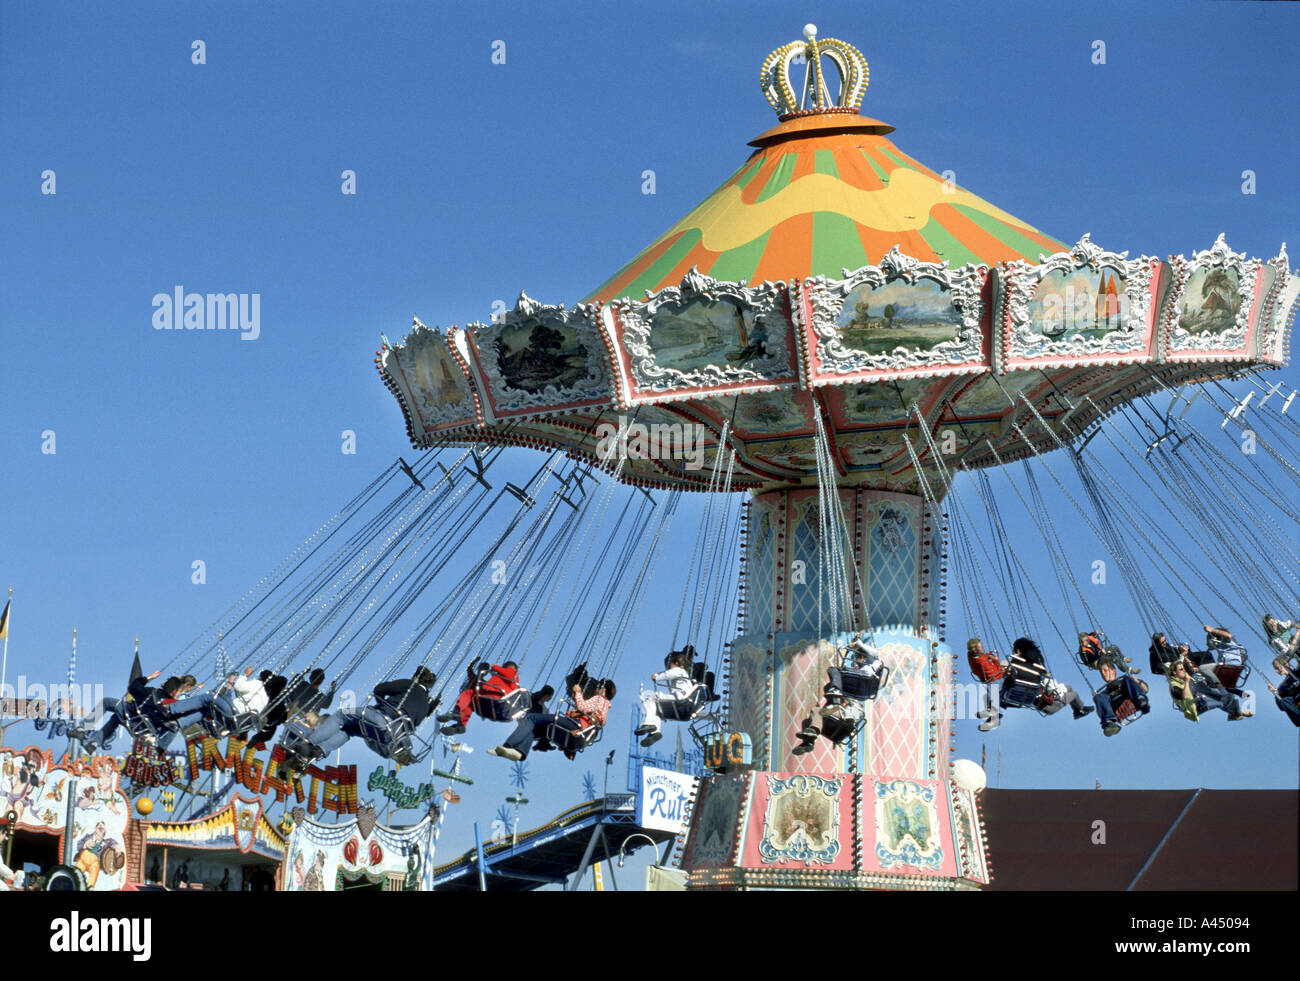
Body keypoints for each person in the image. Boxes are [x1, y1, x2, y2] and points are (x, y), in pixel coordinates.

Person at [306, 667, 438, 762]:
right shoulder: (425, 706)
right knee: (350, 731)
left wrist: (381, 704)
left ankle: (309, 742)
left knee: (341, 715)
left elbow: (379, 689)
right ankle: (321, 749)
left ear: (415, 677)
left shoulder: (409, 685)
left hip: (382, 718)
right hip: (390, 736)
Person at [490, 674, 613, 762]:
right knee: (536, 728)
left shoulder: (599, 700)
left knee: (532, 718)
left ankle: (508, 745)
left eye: (598, 686)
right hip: (581, 737)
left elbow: (582, 706)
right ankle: (519, 752)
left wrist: (578, 692)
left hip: (575, 727)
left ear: (603, 689)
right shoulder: (605, 707)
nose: (596, 689)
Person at [436, 660, 523, 735]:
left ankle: (457, 712)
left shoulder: (513, 675)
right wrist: (473, 666)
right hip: (493, 703)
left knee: (468, 693)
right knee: (471, 700)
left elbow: (508, 673)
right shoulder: (501, 682)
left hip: (498, 699)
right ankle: (461, 725)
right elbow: (473, 677)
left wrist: (495, 666)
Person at [635, 652, 701, 748]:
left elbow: (667, 675)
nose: (669, 666)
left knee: (649, 699)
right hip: (684, 701)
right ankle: (655, 732)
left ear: (676, 663)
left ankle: (647, 723)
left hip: (679, 697)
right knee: (657, 710)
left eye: (670, 664)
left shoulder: (678, 670)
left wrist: (656, 677)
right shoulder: (686, 676)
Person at [1167, 654, 1251, 722]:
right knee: (1220, 701)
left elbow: (1202, 684)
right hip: (1193, 707)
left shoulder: (1188, 677)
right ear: (1174, 672)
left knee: (1217, 692)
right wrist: (1187, 681)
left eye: (1184, 669)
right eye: (1181, 670)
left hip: (1199, 697)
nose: (1184, 671)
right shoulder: (1174, 686)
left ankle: (1233, 711)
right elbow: (1184, 696)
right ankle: (1236, 712)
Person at [967, 637, 1006, 732]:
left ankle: (993, 714)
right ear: (975, 649)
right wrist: (995, 661)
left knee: (992, 688)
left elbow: (984, 657)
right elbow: (992, 671)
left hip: (999, 677)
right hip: (997, 678)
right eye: (980, 647)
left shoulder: (979, 656)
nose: (982, 648)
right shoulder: (978, 660)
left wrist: (992, 658)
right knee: (992, 687)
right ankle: (993, 716)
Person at [1265, 657, 1300, 727]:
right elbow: (1281, 706)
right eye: (1276, 669)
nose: (1277, 671)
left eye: (1277, 667)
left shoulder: (1297, 672)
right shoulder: (1283, 686)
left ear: (1287, 663)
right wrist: (1274, 692)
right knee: (1284, 700)